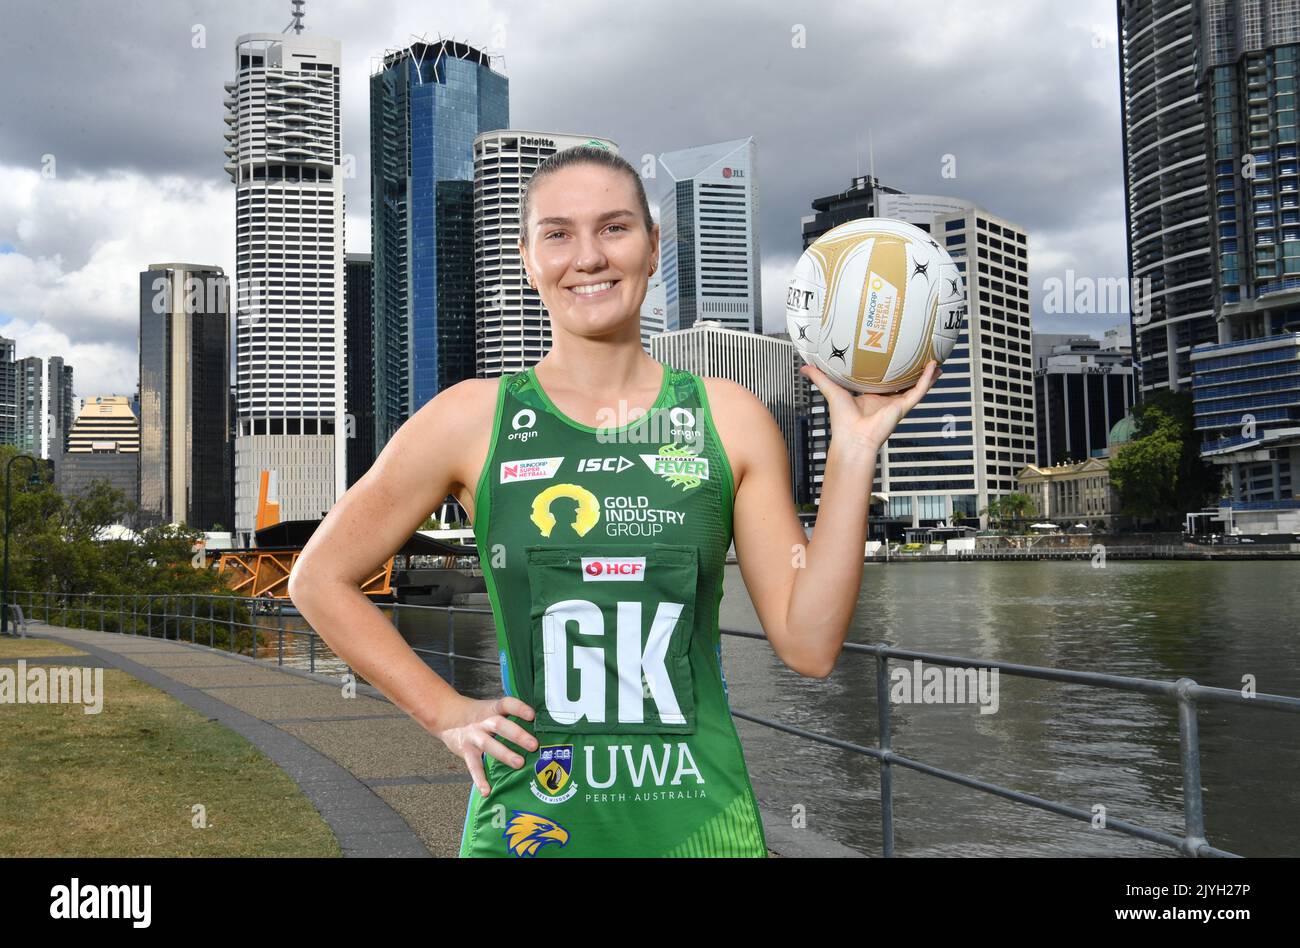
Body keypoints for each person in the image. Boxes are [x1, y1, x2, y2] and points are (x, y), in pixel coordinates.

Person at [288, 145, 940, 857]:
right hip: (530, 828)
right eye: (558, 233)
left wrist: (854, 449)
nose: (589, 256)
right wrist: (445, 711)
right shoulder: (470, 420)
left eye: (615, 228)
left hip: (700, 827)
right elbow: (320, 578)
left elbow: (809, 646)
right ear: (526, 258)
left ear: (654, 248)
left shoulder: (728, 418)